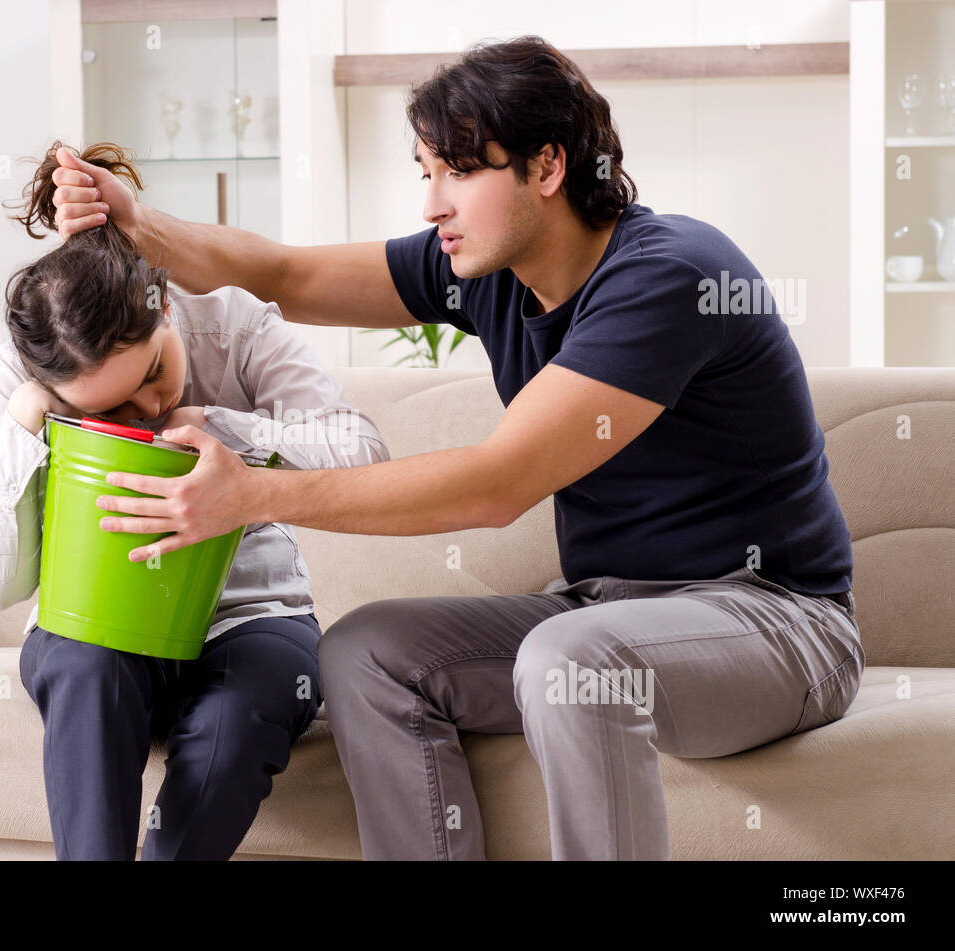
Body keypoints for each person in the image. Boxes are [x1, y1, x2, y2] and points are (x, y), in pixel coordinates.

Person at [51, 36, 863, 861]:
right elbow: (287, 275)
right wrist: (138, 222)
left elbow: (496, 484)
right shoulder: (482, 272)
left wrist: (253, 492)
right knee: (365, 652)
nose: (433, 204)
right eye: (425, 171)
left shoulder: (669, 277)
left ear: (547, 167)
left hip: (774, 621)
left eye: (460, 172)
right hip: (601, 608)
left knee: (567, 656)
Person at [0, 140, 390, 860]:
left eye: (154, 369)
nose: (152, 406)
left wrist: (225, 428)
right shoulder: (20, 378)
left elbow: (364, 452)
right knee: (83, 666)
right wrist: (26, 422)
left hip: (252, 620)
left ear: (159, 301)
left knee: (240, 717)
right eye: (117, 408)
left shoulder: (235, 324)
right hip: (101, 622)